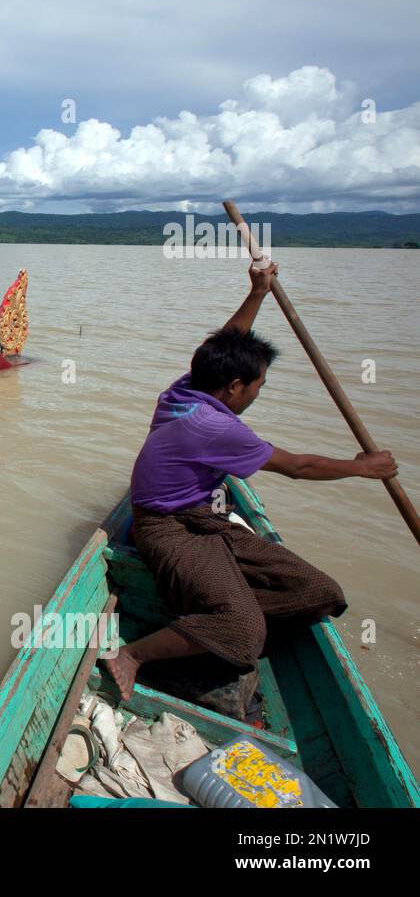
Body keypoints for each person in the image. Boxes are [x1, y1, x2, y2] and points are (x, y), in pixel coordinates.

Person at [99, 261, 398, 717]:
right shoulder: (215, 427)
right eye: (259, 385)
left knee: (321, 592)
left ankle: (216, 622)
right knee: (242, 632)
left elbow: (222, 346)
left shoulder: (185, 390)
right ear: (235, 388)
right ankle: (134, 654)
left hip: (201, 517)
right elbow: (299, 466)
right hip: (165, 528)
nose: (260, 392)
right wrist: (362, 468)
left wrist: (257, 293)